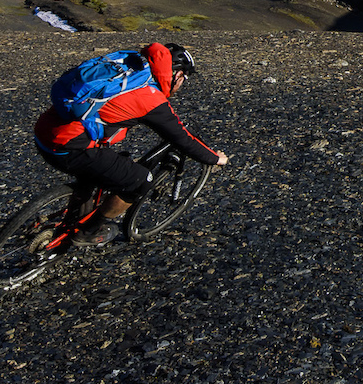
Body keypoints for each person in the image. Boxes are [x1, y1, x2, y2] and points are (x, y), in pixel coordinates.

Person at [33, 42, 228, 245]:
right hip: (69, 147)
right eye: (183, 79)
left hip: (44, 131)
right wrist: (214, 158)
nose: (181, 85)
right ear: (177, 75)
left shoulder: (127, 64)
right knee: (139, 181)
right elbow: (182, 138)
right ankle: (89, 231)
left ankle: (74, 214)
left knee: (102, 168)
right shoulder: (150, 97)